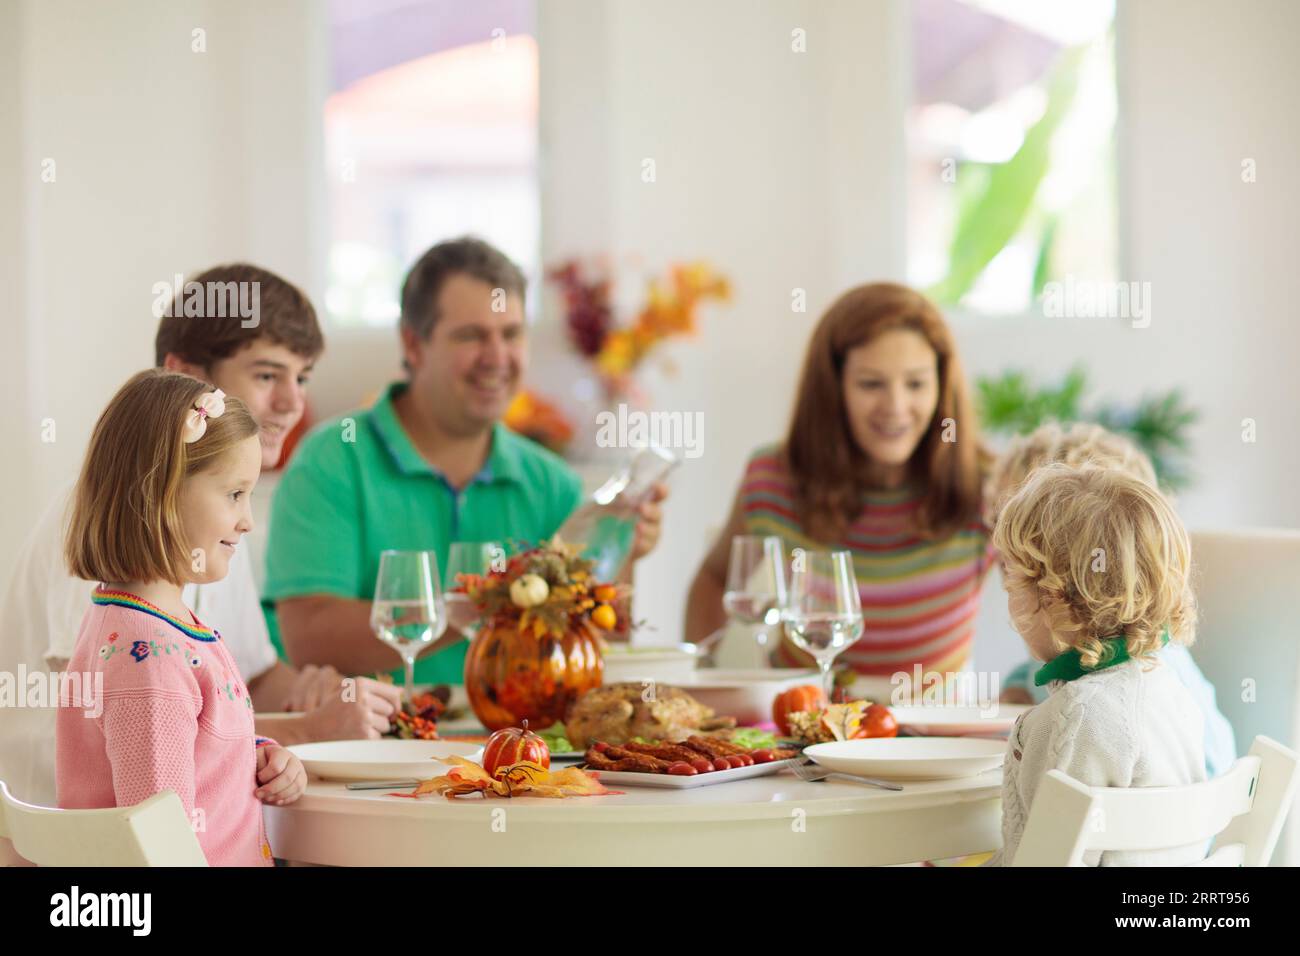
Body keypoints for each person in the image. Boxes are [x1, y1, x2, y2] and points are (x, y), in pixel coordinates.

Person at [0, 263, 400, 814]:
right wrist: (308, 729)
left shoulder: (209, 525)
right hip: (79, 846)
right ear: (183, 375)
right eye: (267, 376)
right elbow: (132, 712)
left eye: (301, 377)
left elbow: (252, 678)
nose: (293, 403)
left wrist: (329, 694)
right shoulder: (116, 516)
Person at [265, 237, 666, 685]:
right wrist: (486, 599)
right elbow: (310, 639)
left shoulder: (551, 482)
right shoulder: (332, 461)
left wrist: (617, 550)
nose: (497, 358)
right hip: (369, 746)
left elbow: (592, 651)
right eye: (472, 336)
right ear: (414, 345)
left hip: (514, 745)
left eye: (511, 334)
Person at [57, 371, 306, 866]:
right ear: (163, 494)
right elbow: (161, 845)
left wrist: (251, 755)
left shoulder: (141, 627)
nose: (247, 520)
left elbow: (180, 755)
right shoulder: (150, 658)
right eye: (235, 494)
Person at [685, 282, 993, 678]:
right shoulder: (773, 478)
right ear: (833, 390)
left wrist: (1027, 687)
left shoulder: (985, 486)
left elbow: (1061, 605)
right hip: (804, 725)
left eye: (915, 384)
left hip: (936, 732)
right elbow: (714, 578)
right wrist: (702, 681)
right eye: (871, 384)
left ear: (940, 384)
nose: (896, 407)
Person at [985, 421, 1236, 777]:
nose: (1002, 544)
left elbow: (1206, 776)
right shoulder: (1075, 651)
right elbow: (1032, 673)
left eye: (1028, 527)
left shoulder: (1155, 676)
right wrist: (1014, 687)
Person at [985, 464, 1206, 865]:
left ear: (1053, 597)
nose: (1008, 597)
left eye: (1013, 581)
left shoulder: (1073, 716)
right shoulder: (1174, 697)